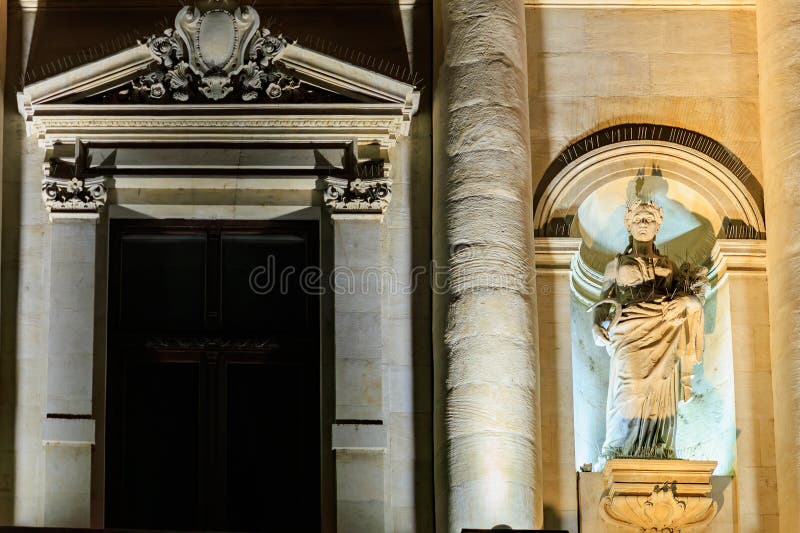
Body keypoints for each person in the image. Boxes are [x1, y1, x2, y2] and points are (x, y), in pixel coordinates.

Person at [591, 200, 708, 460]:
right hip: (629, 331)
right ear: (629, 224)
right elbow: (603, 301)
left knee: (661, 390)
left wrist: (688, 301)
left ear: (658, 225)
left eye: (649, 219)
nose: (644, 224)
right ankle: (620, 447)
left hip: (665, 331)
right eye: (639, 219)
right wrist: (596, 326)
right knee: (628, 388)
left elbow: (693, 297)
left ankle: (659, 448)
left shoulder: (671, 265)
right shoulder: (616, 264)